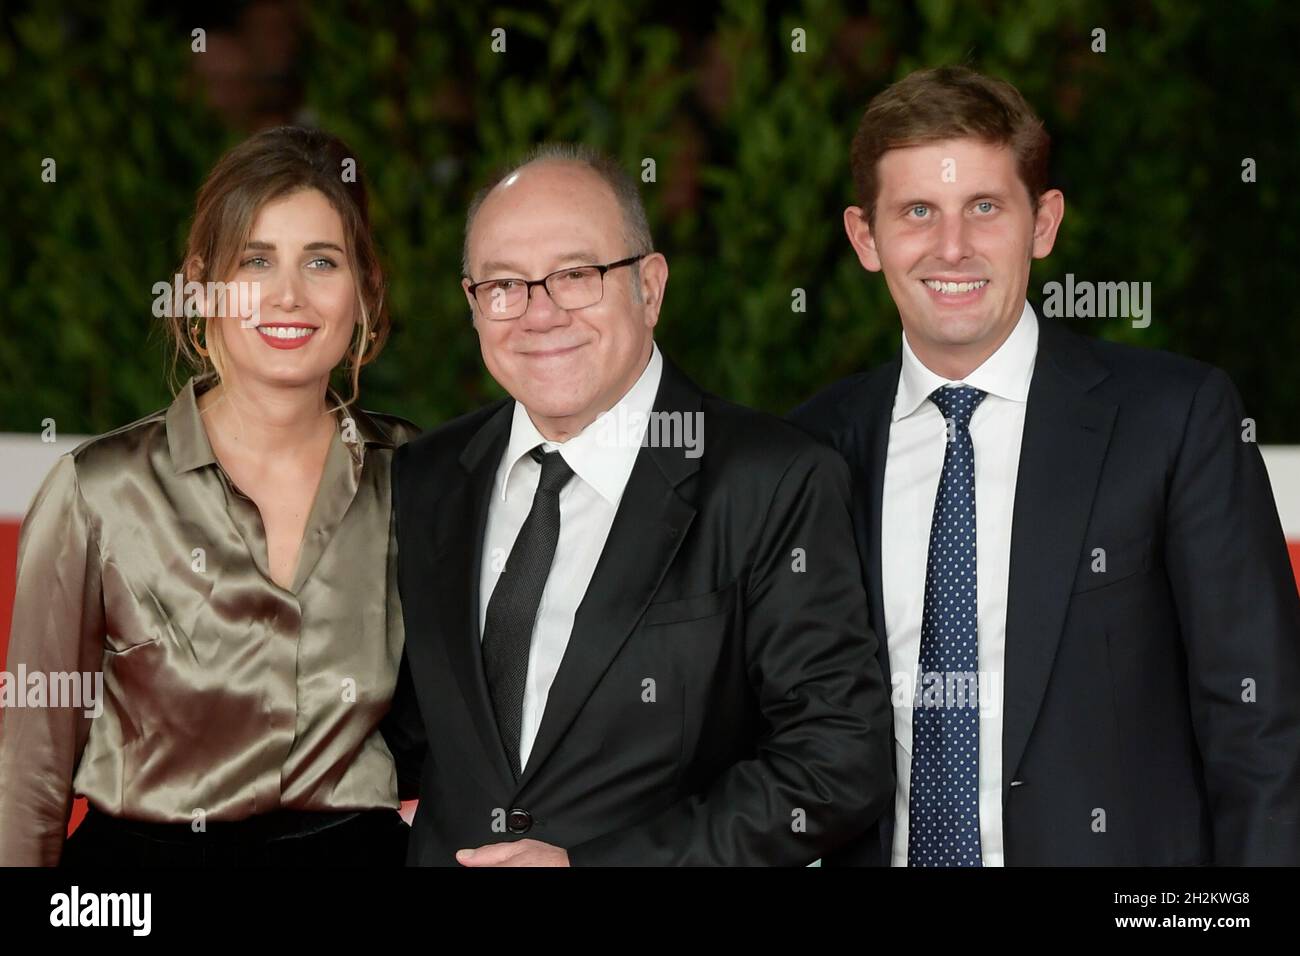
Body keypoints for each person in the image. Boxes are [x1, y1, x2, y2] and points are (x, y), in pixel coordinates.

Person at [790, 65, 1300, 866]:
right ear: (865, 236)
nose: (951, 246)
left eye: (984, 208)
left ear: (1044, 223)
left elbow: (1261, 724)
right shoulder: (813, 447)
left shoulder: (1175, 417)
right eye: (918, 211)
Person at [383, 143, 893, 866]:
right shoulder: (428, 476)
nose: (539, 313)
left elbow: (836, 764)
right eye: (504, 285)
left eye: (575, 275)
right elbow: (403, 734)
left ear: (649, 288)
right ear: (473, 304)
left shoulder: (770, 481)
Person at [0, 126, 418, 866]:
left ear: (365, 289)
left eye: (321, 261)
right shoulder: (98, 490)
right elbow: (28, 774)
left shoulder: (417, 478)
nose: (288, 295)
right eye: (256, 261)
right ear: (200, 286)